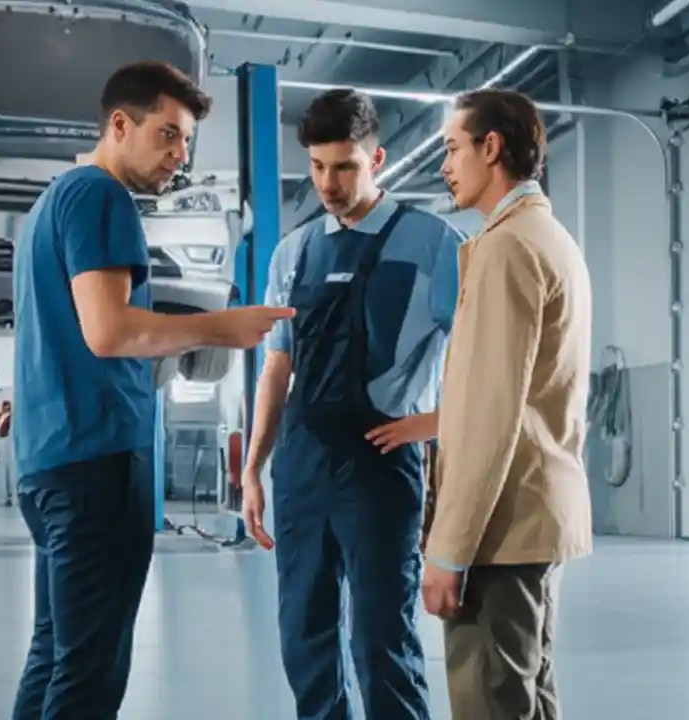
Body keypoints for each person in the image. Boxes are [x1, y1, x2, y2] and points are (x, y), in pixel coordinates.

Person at [10, 60, 294, 720]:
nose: (180, 154)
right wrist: (223, 326)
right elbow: (110, 332)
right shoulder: (99, 196)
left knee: (56, 654)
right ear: (119, 124)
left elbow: (67, 337)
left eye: (187, 140)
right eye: (168, 134)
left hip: (52, 462)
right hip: (97, 465)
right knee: (89, 673)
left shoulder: (52, 203)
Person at [240, 88, 463, 720]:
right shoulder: (295, 251)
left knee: (380, 641)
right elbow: (276, 364)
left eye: (345, 166)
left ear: (378, 159)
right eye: (317, 167)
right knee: (304, 637)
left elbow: (481, 358)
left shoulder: (433, 243)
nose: (328, 184)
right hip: (303, 467)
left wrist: (437, 424)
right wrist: (254, 466)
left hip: (380, 468)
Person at [423, 88, 594, 720]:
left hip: (501, 529)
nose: (444, 165)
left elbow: (490, 418)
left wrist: (449, 550)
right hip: (538, 516)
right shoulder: (551, 240)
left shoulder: (506, 248)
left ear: (490, 147)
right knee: (528, 695)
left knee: (490, 701)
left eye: (451, 148)